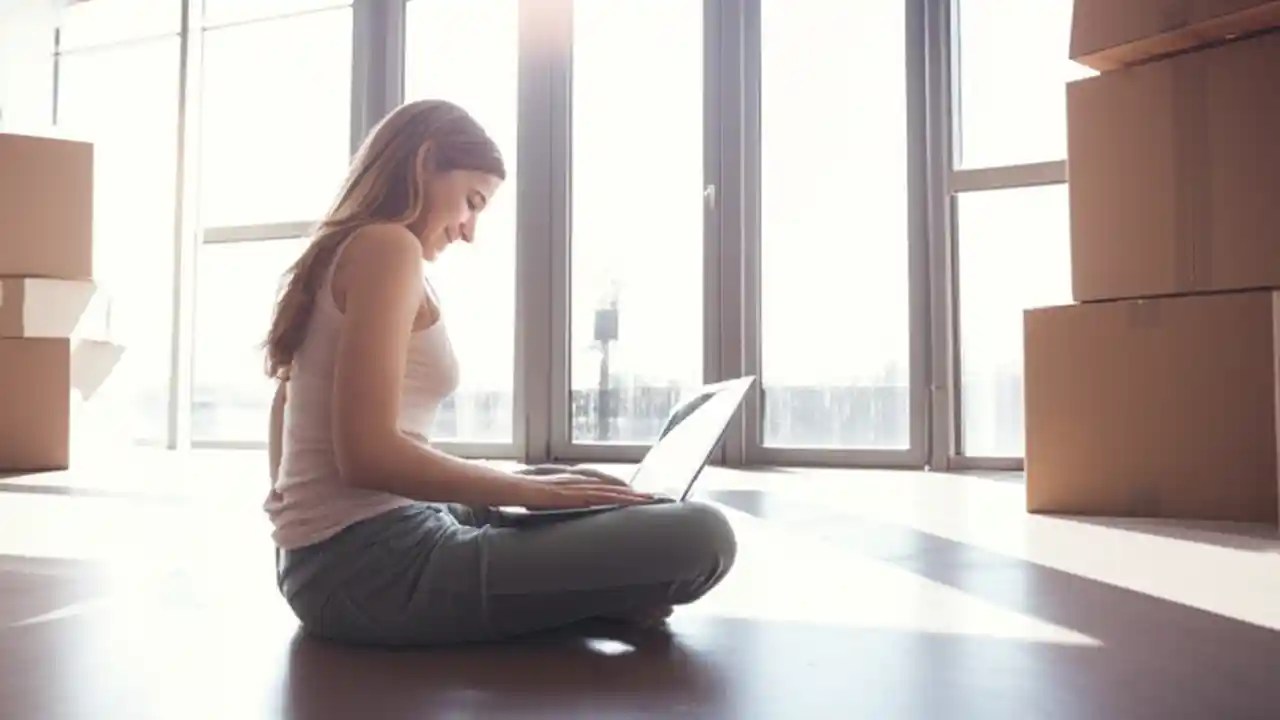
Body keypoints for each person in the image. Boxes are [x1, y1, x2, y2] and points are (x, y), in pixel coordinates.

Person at [263, 99, 737, 646]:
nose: (468, 230)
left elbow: (288, 407)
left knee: (573, 484)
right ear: (425, 162)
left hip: (343, 557)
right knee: (704, 536)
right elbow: (366, 454)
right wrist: (529, 494)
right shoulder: (387, 247)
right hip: (370, 569)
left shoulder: (348, 251)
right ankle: (589, 590)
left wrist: (533, 485)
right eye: (471, 201)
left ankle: (579, 587)